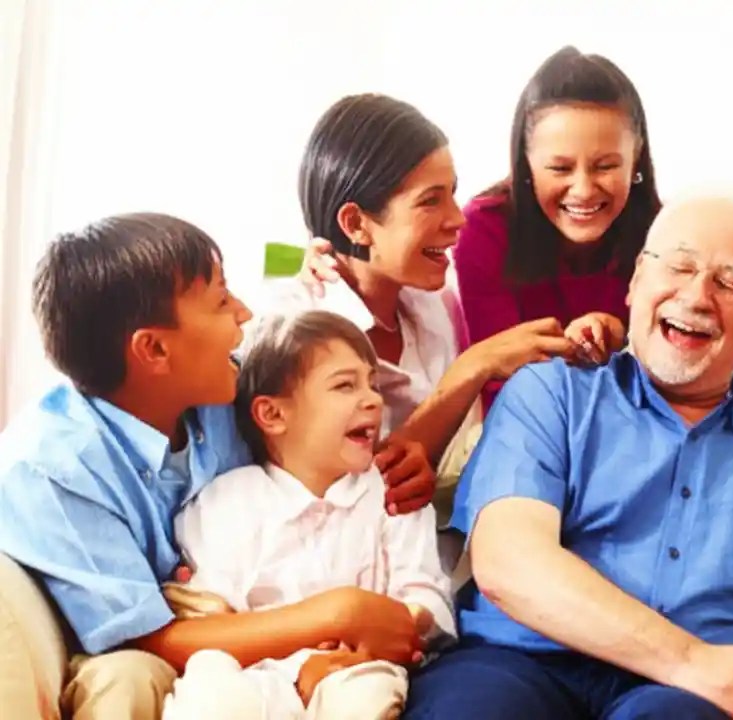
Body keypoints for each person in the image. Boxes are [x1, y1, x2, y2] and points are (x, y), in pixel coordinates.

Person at [404, 187, 733, 720]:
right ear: (635, 282)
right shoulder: (551, 394)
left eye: (730, 282)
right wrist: (688, 659)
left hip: (689, 702)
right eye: (679, 267)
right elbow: (510, 563)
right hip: (521, 662)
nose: (697, 296)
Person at [0, 214, 434, 719]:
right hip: (146, 648)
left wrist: (404, 455)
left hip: (259, 631)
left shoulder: (226, 396)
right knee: (127, 681)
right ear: (154, 349)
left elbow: (325, 431)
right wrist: (334, 615)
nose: (245, 314)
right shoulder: (50, 471)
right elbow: (151, 640)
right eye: (222, 301)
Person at [277, 93, 579, 536]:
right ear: (356, 224)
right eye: (430, 201)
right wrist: (471, 369)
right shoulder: (298, 334)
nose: (458, 219)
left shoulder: (430, 302)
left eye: (452, 194)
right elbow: (355, 488)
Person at [163, 310, 455, 719]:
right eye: (345, 385)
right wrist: (299, 659)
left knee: (366, 693)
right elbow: (213, 614)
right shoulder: (224, 503)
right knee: (210, 683)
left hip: (356, 666)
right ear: (273, 415)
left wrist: (368, 643)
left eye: (372, 383)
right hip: (256, 671)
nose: (372, 398)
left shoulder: (393, 491)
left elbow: (426, 596)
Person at [453, 45, 661, 409]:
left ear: (637, 156)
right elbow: (502, 386)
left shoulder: (663, 235)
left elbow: (675, 382)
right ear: (527, 163)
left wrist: (621, 335)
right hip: (527, 429)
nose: (582, 189)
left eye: (605, 166)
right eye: (560, 169)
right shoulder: (484, 230)